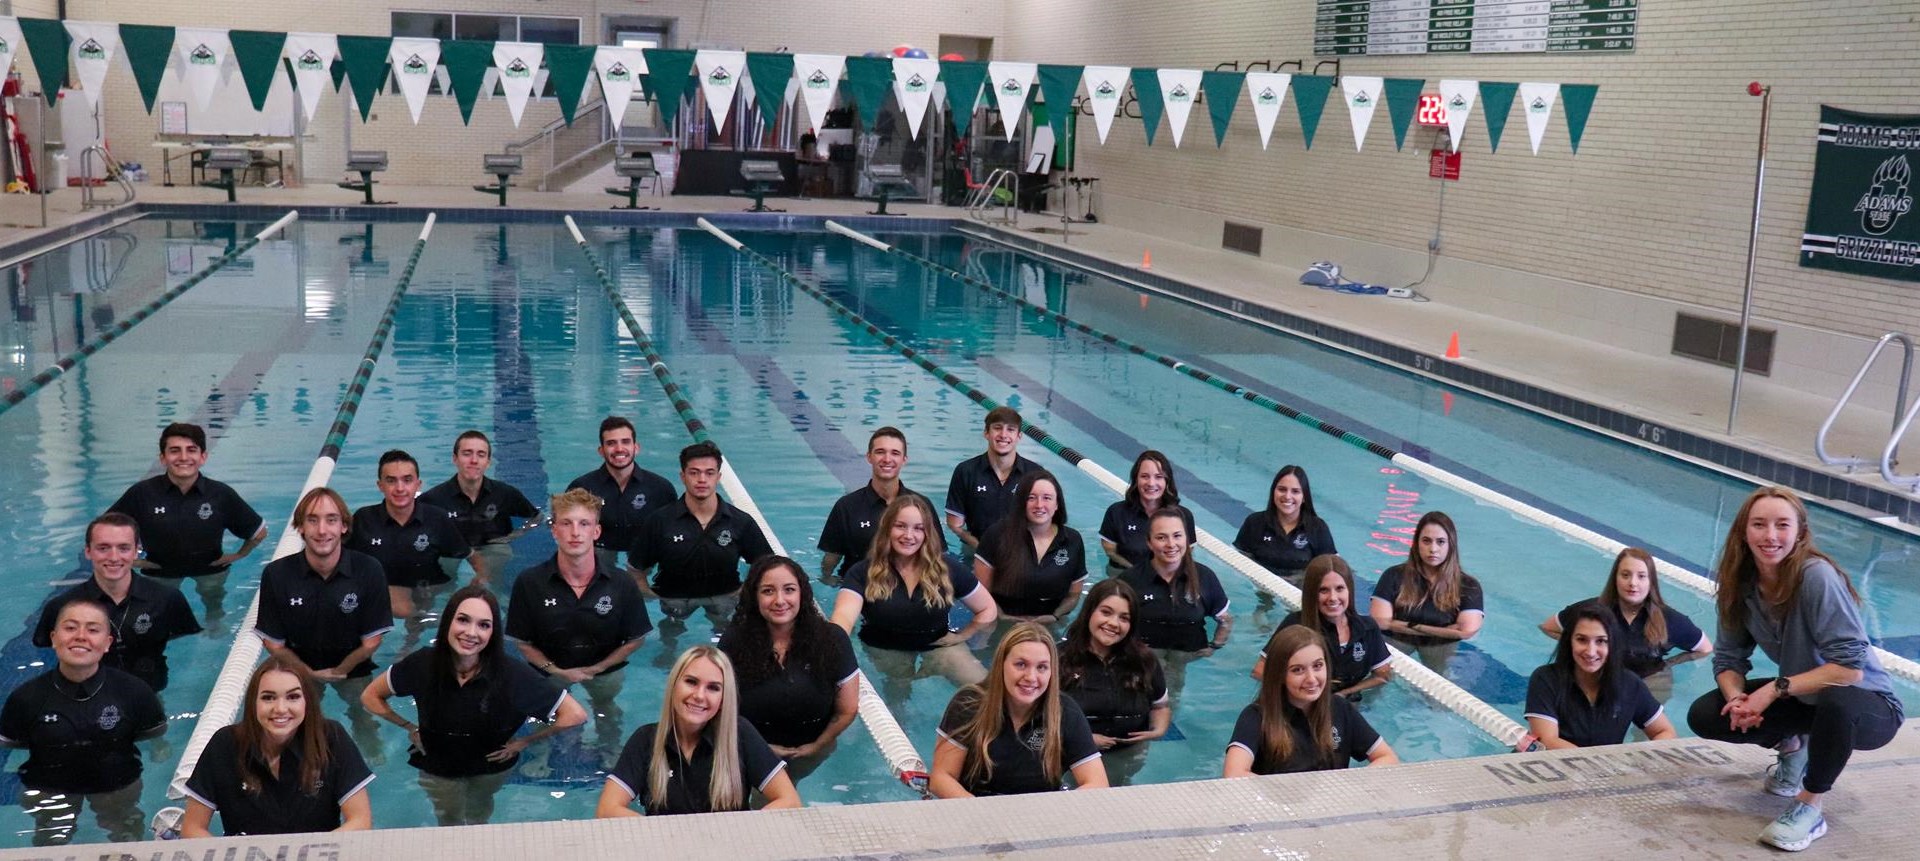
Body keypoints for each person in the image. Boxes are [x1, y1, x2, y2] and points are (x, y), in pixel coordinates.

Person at [1685, 487, 1904, 852]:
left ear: (1800, 533)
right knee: (1707, 714)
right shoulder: (1740, 583)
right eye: (1759, 524)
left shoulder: (1816, 576)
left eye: (1782, 525)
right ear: (1744, 531)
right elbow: (1728, 659)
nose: (1770, 536)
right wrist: (1737, 699)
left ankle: (1810, 804)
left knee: (1837, 701)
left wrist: (1771, 691)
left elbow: (1850, 670)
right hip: (1805, 697)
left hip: (1868, 705)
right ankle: (1793, 747)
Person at [363, 585, 588, 825]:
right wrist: (409, 727)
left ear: (493, 633)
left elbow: (574, 714)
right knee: (448, 817)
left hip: (490, 764)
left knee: (479, 813)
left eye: (484, 625)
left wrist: (524, 742)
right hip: (437, 761)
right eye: (463, 620)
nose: (471, 633)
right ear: (448, 621)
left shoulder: (513, 675)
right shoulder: (422, 665)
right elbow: (370, 696)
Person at [0, 600, 167, 845]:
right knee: (50, 841)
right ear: (54, 638)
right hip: (49, 791)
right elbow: (10, 744)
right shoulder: (25, 699)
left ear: (107, 643)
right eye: (70, 628)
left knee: (127, 836)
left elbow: (155, 735)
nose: (80, 637)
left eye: (92, 629)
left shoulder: (135, 693)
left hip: (118, 785)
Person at [506, 489, 653, 746]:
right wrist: (556, 671)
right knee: (544, 714)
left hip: (605, 669)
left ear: (596, 532)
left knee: (606, 709)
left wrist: (598, 668)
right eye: (566, 523)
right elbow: (523, 642)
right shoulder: (530, 582)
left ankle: (610, 746)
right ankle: (542, 751)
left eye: (584, 524)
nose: (575, 532)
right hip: (548, 669)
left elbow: (635, 638)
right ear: (554, 531)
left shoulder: (621, 583)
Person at [597, 645, 801, 816]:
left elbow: (789, 801)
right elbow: (607, 809)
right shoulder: (646, 740)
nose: (699, 695)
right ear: (674, 685)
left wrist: (739, 833)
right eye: (691, 682)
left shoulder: (739, 734)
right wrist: (667, 839)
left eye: (713, 688)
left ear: (723, 698)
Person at [180, 659, 373, 837]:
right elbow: (192, 828)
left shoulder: (331, 738)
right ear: (253, 703)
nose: (280, 708)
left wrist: (311, 853)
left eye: (293, 697)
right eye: (268, 698)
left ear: (307, 701)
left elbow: (360, 820)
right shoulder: (225, 745)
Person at [255, 487, 394, 725]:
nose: (322, 530)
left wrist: (342, 670)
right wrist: (308, 674)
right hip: (296, 666)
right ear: (300, 527)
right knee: (298, 723)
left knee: (364, 716)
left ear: (343, 526)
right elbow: (274, 644)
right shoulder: (277, 574)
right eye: (312, 520)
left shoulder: (368, 569)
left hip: (354, 664)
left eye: (331, 520)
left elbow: (372, 641)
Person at [831, 494, 999, 691]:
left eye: (918, 528)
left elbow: (988, 609)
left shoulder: (947, 569)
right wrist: (835, 643)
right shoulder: (862, 573)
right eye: (900, 526)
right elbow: (843, 616)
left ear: (927, 533)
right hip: (884, 647)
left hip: (939, 644)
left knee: (987, 690)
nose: (909, 535)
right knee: (897, 694)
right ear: (887, 529)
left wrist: (963, 635)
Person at [108, 422, 267, 621]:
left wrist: (237, 555)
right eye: (175, 451)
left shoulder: (220, 494)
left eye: (191, 450)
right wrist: (130, 560)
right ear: (163, 458)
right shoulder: (143, 493)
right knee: (157, 615)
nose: (183, 457)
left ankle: (214, 620)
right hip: (160, 572)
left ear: (203, 457)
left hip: (211, 569)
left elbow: (259, 532)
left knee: (212, 603)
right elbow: (105, 531)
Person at [718, 556, 859, 781]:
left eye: (789, 590)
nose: (780, 600)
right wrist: (760, 748)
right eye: (768, 591)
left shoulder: (832, 640)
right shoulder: (734, 642)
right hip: (749, 749)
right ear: (754, 597)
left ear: (802, 594)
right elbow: (720, 708)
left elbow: (847, 709)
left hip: (811, 750)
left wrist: (816, 746)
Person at [931, 622, 1108, 798]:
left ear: (1051, 672)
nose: (1031, 677)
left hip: (1038, 812)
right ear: (1001, 664)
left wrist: (1048, 815)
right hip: (976, 808)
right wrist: (983, 817)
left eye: (1042, 667)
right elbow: (942, 778)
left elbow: (1097, 783)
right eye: (1021, 664)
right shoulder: (969, 704)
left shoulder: (1064, 711)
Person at [34, 513, 201, 693]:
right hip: (86, 696)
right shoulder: (61, 607)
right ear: (88, 551)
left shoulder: (166, 599)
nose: (114, 557)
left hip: (150, 694)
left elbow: (189, 649)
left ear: (136, 551)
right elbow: (46, 653)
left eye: (123, 548)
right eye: (103, 548)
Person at [630, 442, 774, 627]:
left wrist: (744, 591)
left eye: (709, 472)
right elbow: (635, 568)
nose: (702, 479)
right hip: (673, 599)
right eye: (694, 472)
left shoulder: (740, 521)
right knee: (669, 642)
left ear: (719, 477)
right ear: (683, 477)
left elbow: (768, 565)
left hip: (725, 598)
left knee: (725, 642)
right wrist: (649, 594)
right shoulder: (660, 521)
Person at [1224, 625, 1397, 777]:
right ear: (1280, 674)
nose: (1312, 679)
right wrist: (1292, 792)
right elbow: (1234, 775)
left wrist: (1348, 785)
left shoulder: (1339, 709)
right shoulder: (1257, 717)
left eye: (1318, 666)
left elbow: (1387, 758)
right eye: (1298, 670)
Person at [1540, 547, 1711, 702]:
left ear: (1651, 582)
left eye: (1641, 576)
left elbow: (1705, 649)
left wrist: (1669, 664)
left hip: (1649, 682)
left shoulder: (1670, 619)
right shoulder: (1592, 611)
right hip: (1600, 678)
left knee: (1647, 733)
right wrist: (1581, 647)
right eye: (1625, 575)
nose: (1633, 583)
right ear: (1615, 578)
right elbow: (1548, 627)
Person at [348, 449, 484, 624]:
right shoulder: (364, 519)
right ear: (380, 485)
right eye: (391, 481)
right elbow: (343, 562)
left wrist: (482, 578)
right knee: (402, 609)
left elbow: (469, 554)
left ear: (418, 484)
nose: (400, 488)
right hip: (390, 592)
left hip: (433, 588)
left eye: (407, 480)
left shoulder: (436, 519)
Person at [1059, 579, 1168, 786]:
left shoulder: (1145, 661)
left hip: (1127, 756)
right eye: (1106, 612)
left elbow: (1160, 705)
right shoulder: (1059, 659)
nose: (1114, 623)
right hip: (1071, 757)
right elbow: (1037, 717)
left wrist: (1158, 730)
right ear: (1089, 612)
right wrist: (1083, 739)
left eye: (1124, 618)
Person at [1525, 602, 1677, 749]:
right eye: (1581, 640)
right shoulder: (1546, 679)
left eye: (1601, 641)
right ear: (1569, 641)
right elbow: (1547, 740)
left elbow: (1665, 731)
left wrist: (1637, 761)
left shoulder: (1629, 684)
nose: (1591, 652)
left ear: (1612, 644)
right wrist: (1607, 765)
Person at [1258, 555, 1391, 700]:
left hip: (1346, 702)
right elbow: (1260, 671)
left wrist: (1343, 694)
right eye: (1323, 590)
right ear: (1311, 593)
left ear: (1350, 591)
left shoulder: (1367, 628)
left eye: (1340, 588)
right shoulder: (1295, 626)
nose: (1333, 597)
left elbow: (1382, 676)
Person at [419, 430, 541, 586]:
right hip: (450, 552)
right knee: (439, 577)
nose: (474, 460)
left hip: (492, 547)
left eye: (481, 455)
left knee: (501, 559)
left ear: (488, 462)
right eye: (467, 453)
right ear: (455, 459)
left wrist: (512, 536)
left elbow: (536, 518)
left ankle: (496, 594)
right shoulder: (434, 499)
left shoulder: (504, 493)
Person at [1368, 511, 1483, 671]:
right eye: (1426, 541)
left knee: (1440, 688)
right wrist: (1445, 630)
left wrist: (1410, 626)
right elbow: (1379, 621)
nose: (1433, 549)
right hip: (1398, 641)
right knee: (1379, 677)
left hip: (1439, 646)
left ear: (1451, 545)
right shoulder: (1393, 575)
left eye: (1440, 542)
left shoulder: (1468, 585)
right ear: (1416, 543)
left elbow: (1466, 631)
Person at [974, 470, 1087, 623]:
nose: (1039, 505)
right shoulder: (996, 535)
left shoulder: (1073, 540)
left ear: (1057, 504)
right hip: (1000, 621)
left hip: (1050, 623)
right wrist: (1002, 617)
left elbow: (1074, 595)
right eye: (1031, 498)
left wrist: (1055, 616)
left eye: (1047, 498)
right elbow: (980, 591)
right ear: (1021, 503)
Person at [566, 416, 676, 573]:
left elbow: (673, 533)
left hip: (642, 558)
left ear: (636, 447)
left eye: (625, 442)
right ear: (601, 450)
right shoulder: (582, 487)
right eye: (611, 443)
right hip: (599, 553)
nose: (619, 449)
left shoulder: (660, 489)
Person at [1118, 506, 1232, 655]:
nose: (1171, 544)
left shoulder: (1204, 577)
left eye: (1177, 536)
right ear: (1149, 543)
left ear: (1187, 539)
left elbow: (1225, 620)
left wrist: (1214, 646)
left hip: (1187, 655)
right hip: (1143, 655)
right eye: (1161, 537)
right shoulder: (1130, 580)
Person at [818, 427, 918, 583]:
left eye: (895, 453)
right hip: (858, 588)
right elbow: (832, 554)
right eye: (880, 452)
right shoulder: (847, 507)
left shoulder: (920, 506)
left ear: (904, 460)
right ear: (869, 457)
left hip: (907, 587)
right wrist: (827, 577)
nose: (887, 459)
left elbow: (936, 555)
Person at [944, 406, 1041, 551]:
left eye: (1011, 429)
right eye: (997, 428)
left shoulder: (1034, 474)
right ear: (986, 433)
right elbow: (955, 525)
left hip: (1020, 555)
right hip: (975, 551)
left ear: (1019, 436)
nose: (1003, 434)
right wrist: (982, 549)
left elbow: (1042, 522)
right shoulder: (966, 471)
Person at [1233, 465, 1337, 584]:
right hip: (1260, 586)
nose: (1287, 496)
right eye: (1282, 489)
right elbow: (1238, 558)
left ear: (1304, 497)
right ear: (1273, 492)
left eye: (1295, 491)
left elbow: (1331, 568)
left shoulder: (1317, 528)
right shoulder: (1255, 522)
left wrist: (1296, 579)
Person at [1098, 451, 1192, 576]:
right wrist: (1139, 574)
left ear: (1167, 481)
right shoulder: (1117, 512)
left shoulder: (1183, 516)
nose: (1151, 483)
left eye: (1159, 477)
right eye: (1145, 476)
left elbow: (1185, 553)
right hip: (1124, 574)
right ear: (1136, 479)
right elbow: (1111, 552)